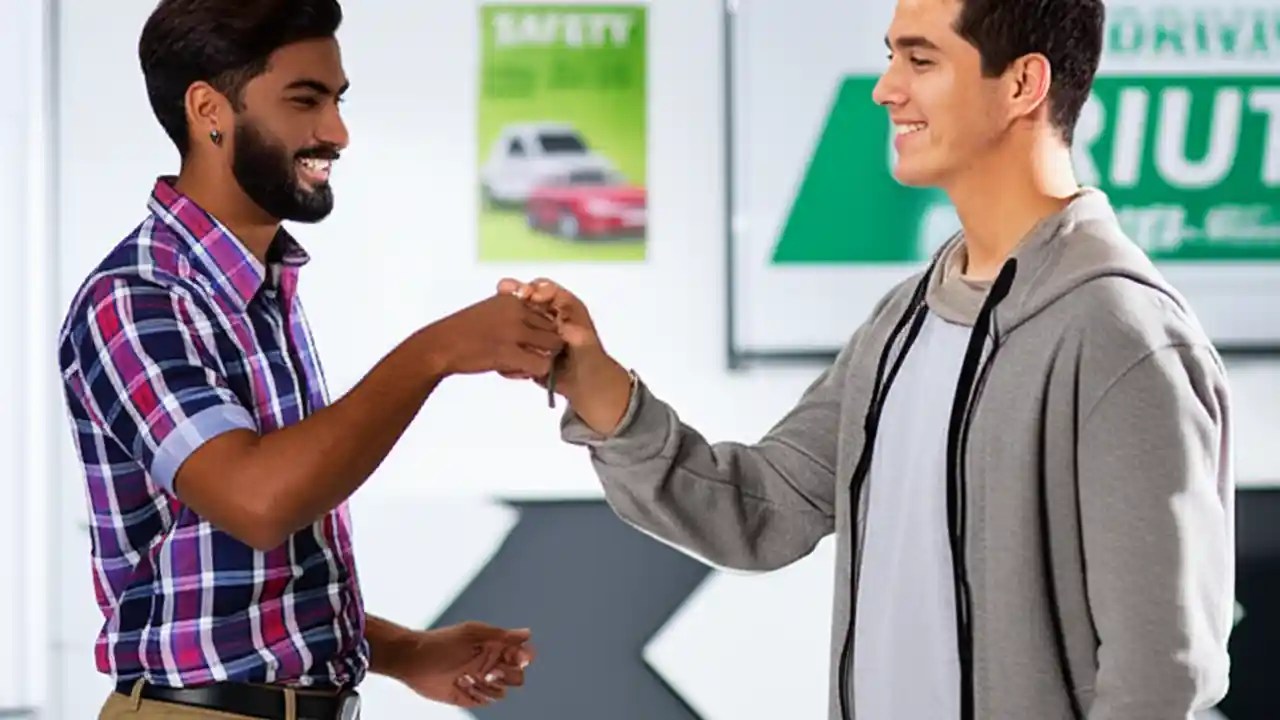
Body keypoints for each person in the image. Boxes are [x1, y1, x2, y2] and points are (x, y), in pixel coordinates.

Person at [500, 0, 1235, 718]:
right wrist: (589, 378)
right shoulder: (904, 320)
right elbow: (760, 510)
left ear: (1022, 84)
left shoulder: (1122, 335)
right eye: (892, 57)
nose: (886, 88)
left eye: (921, 60)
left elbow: (1159, 676)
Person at [56, 1, 558, 718]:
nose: (337, 132)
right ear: (209, 110)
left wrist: (407, 652)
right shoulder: (136, 298)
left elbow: (236, 583)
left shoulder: (258, 289)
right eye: (305, 100)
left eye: (337, 100)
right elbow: (258, 504)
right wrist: (437, 352)